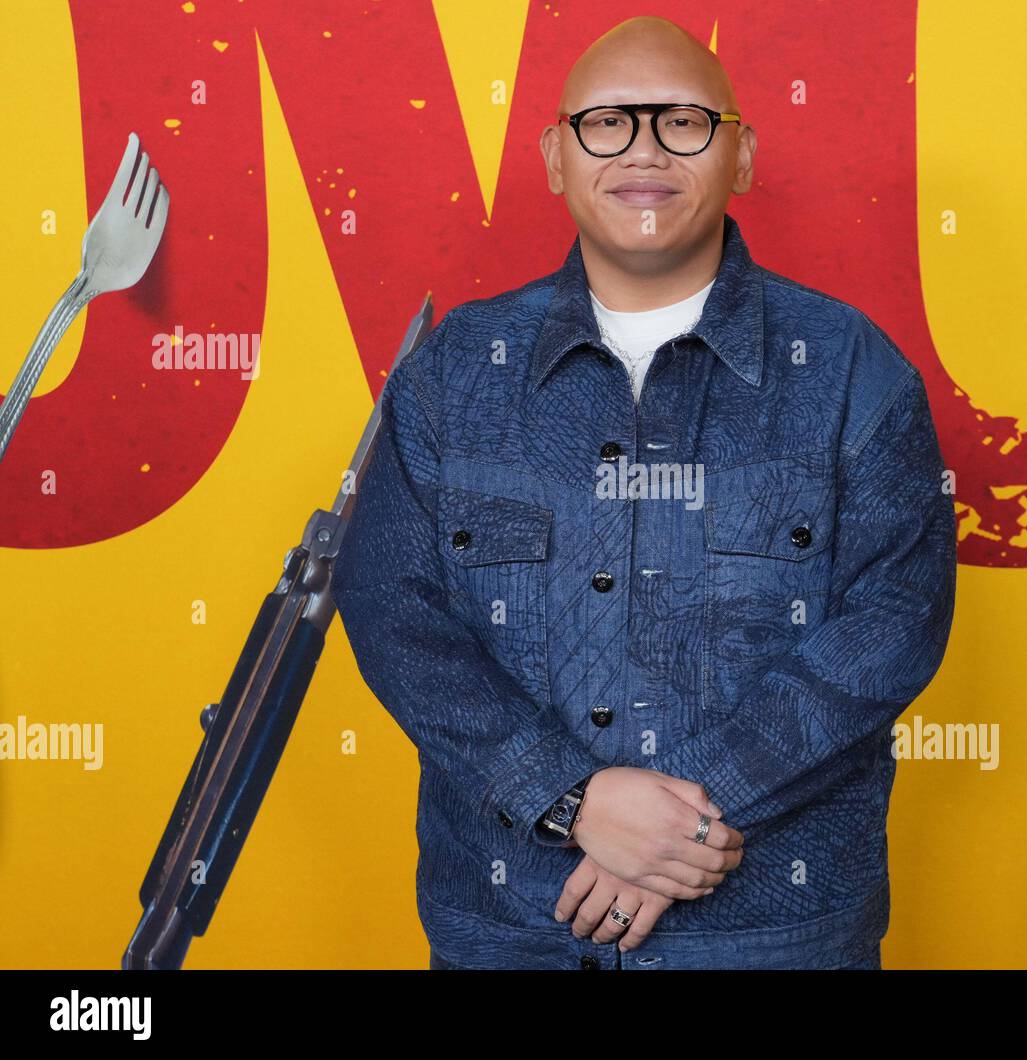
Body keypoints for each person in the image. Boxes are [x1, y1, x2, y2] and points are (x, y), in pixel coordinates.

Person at [332, 15, 956, 971]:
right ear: (554, 155)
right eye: (608, 124)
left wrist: (681, 820)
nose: (645, 151)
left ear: (742, 153)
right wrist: (570, 797)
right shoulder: (454, 372)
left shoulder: (848, 370)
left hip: (775, 939)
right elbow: (392, 613)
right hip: (511, 934)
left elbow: (893, 623)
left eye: (684, 124)